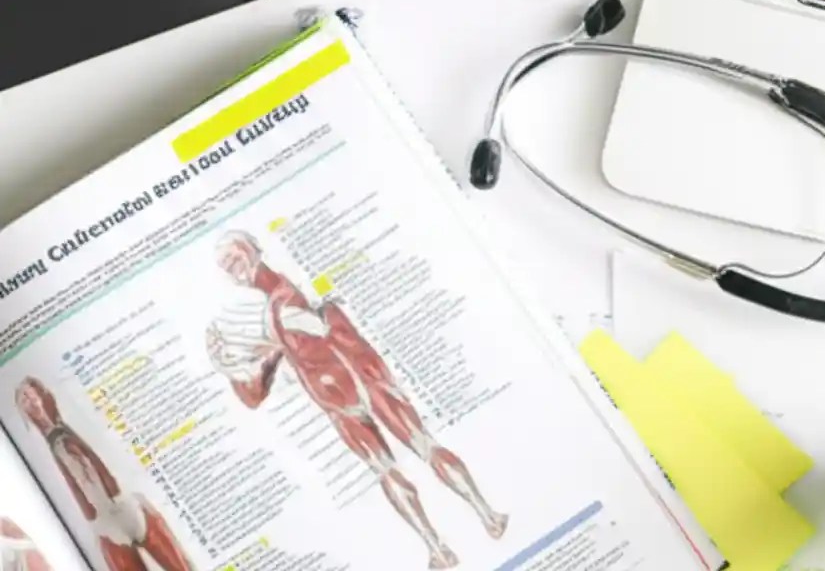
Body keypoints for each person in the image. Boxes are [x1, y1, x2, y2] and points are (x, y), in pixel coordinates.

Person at [205, 231, 507, 569]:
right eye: (225, 264)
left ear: (252, 250)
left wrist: (271, 343)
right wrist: (249, 355)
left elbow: (311, 327)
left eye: (234, 257)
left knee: (419, 447)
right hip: (339, 396)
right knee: (389, 465)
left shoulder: (281, 295)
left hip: (357, 382)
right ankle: (443, 544)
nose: (232, 268)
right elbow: (270, 370)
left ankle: (480, 519)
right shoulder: (273, 305)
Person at [15, 378, 193, 571]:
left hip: (127, 505)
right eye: (23, 399)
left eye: (30, 393)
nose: (28, 399)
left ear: (42, 394)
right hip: (104, 525)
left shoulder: (71, 417)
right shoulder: (41, 445)